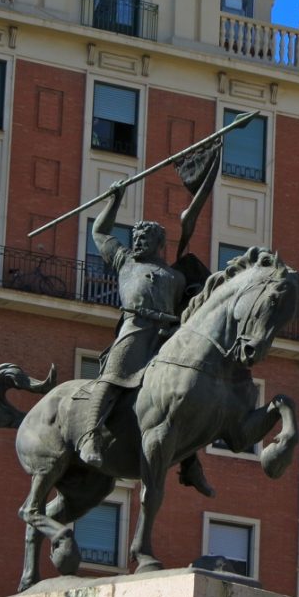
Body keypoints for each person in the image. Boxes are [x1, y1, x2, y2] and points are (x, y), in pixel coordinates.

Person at [77, 183, 212, 495]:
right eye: (136, 237)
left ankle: (190, 465)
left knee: (185, 392)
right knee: (112, 378)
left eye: (145, 238)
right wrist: (114, 201)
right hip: (135, 327)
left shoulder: (177, 277)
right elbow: (99, 232)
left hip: (167, 334)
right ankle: (89, 438)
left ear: (159, 244)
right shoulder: (125, 260)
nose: (137, 241)